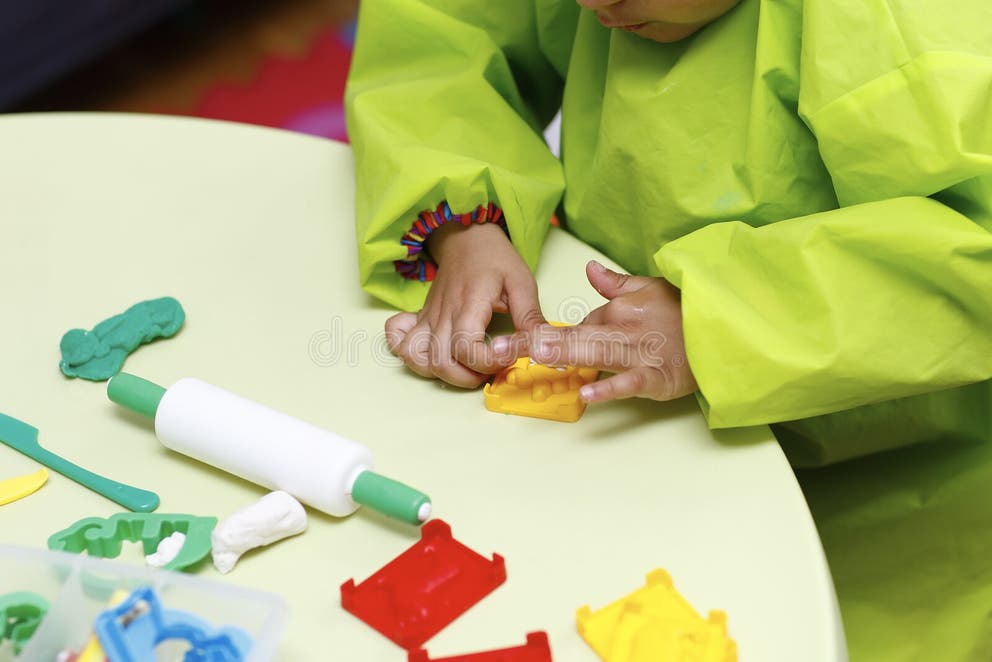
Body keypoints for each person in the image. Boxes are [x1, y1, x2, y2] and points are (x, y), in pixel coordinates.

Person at [344, 0, 992, 658]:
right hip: (646, 463)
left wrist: (717, 317)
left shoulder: (906, 23)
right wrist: (464, 217)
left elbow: (976, 250)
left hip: (900, 497)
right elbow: (439, 37)